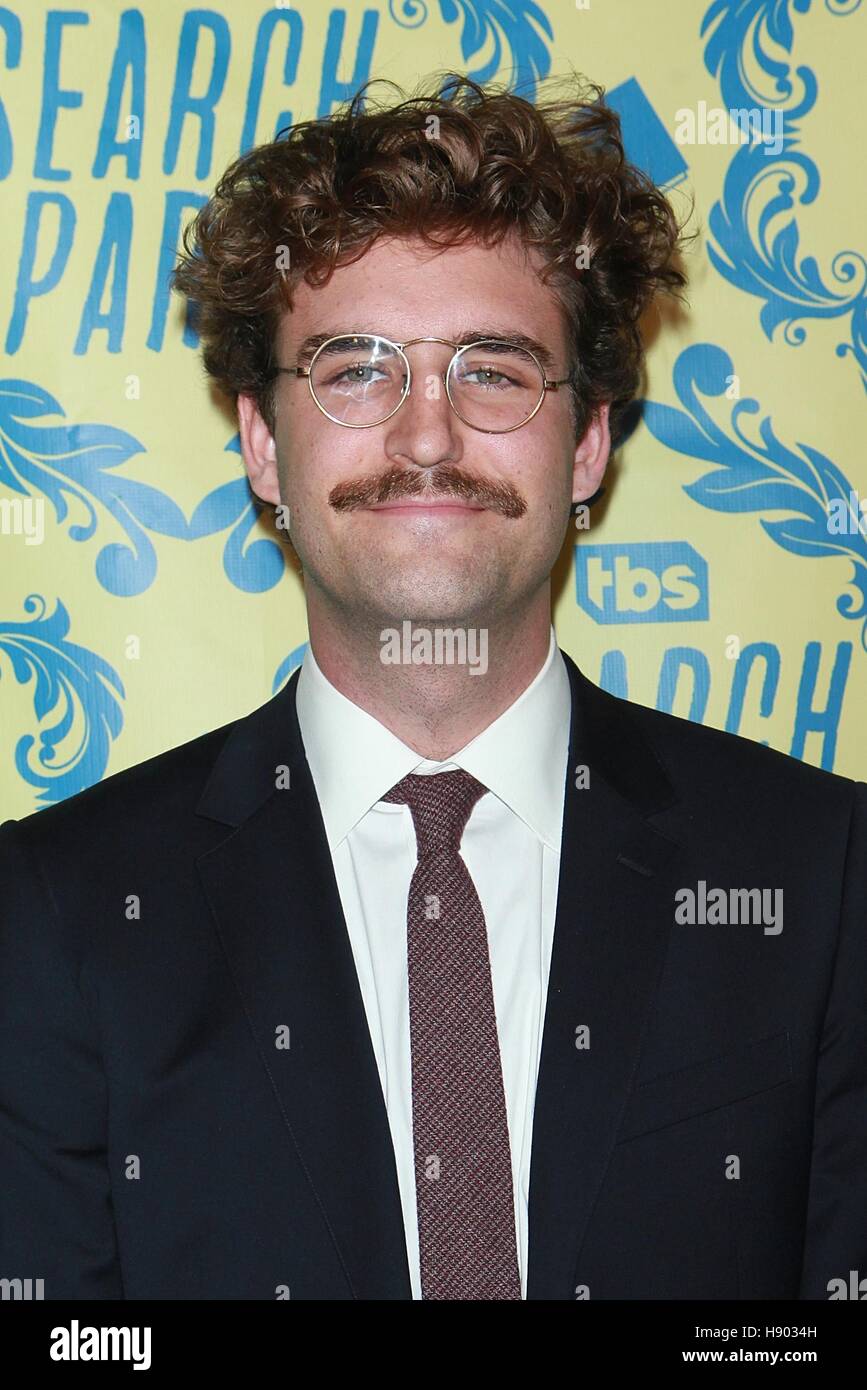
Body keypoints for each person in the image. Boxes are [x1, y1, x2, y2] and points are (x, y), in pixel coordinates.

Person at [1, 73, 864, 1302]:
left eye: (495, 370)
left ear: (588, 442)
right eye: (355, 371)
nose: (424, 436)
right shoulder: (58, 917)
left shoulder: (820, 875)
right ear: (261, 442)